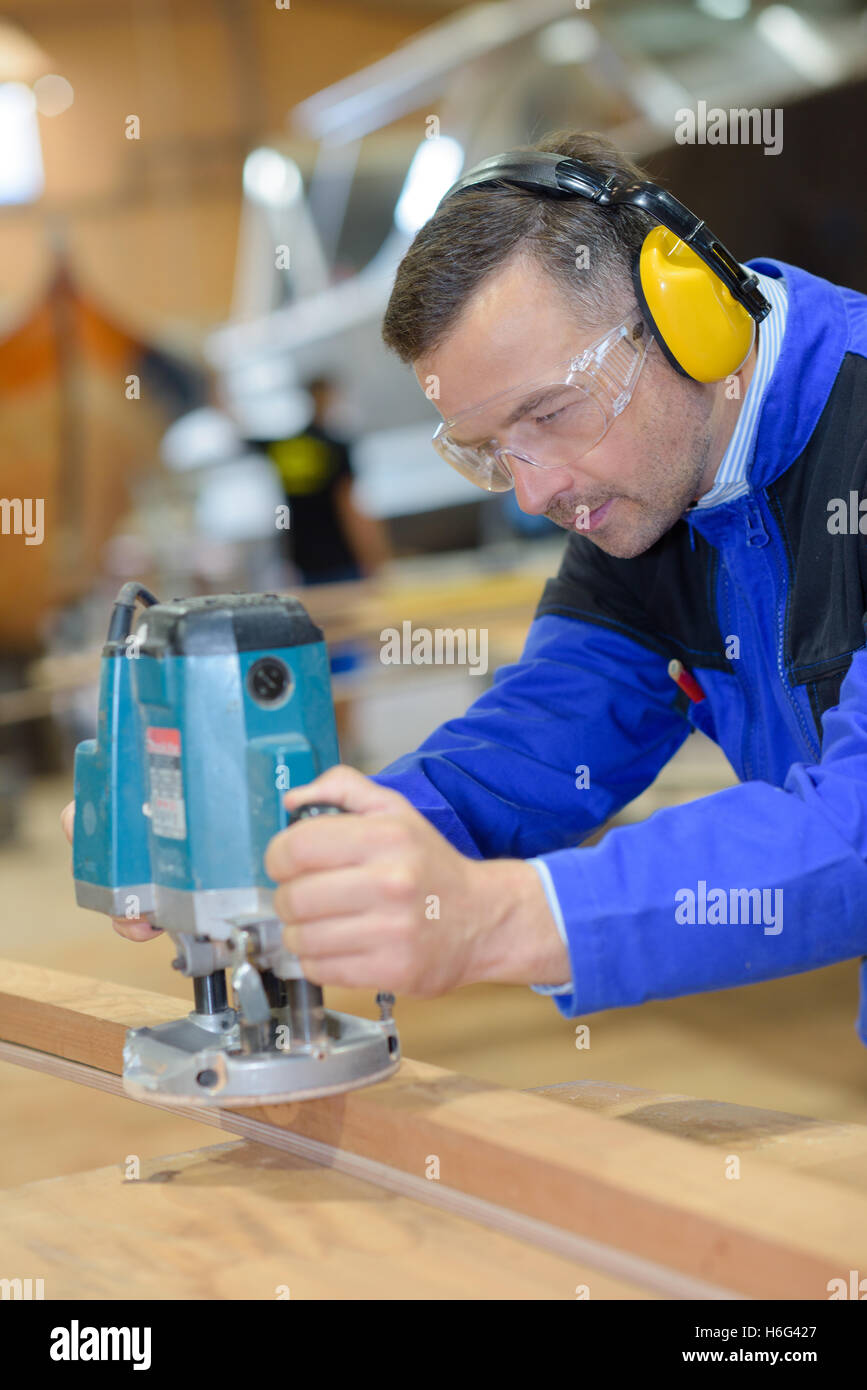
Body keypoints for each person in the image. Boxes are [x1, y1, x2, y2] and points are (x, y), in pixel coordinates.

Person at [62, 130, 867, 1051]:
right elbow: (537, 743)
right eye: (490, 452)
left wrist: (500, 920)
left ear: (691, 311)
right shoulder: (645, 499)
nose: (534, 491)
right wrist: (291, 847)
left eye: (552, 414)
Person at [263, 374, 389, 586]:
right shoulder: (335, 446)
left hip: (303, 559)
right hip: (341, 557)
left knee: (320, 618)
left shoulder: (285, 446)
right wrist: (376, 557)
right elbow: (349, 507)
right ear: (328, 397)